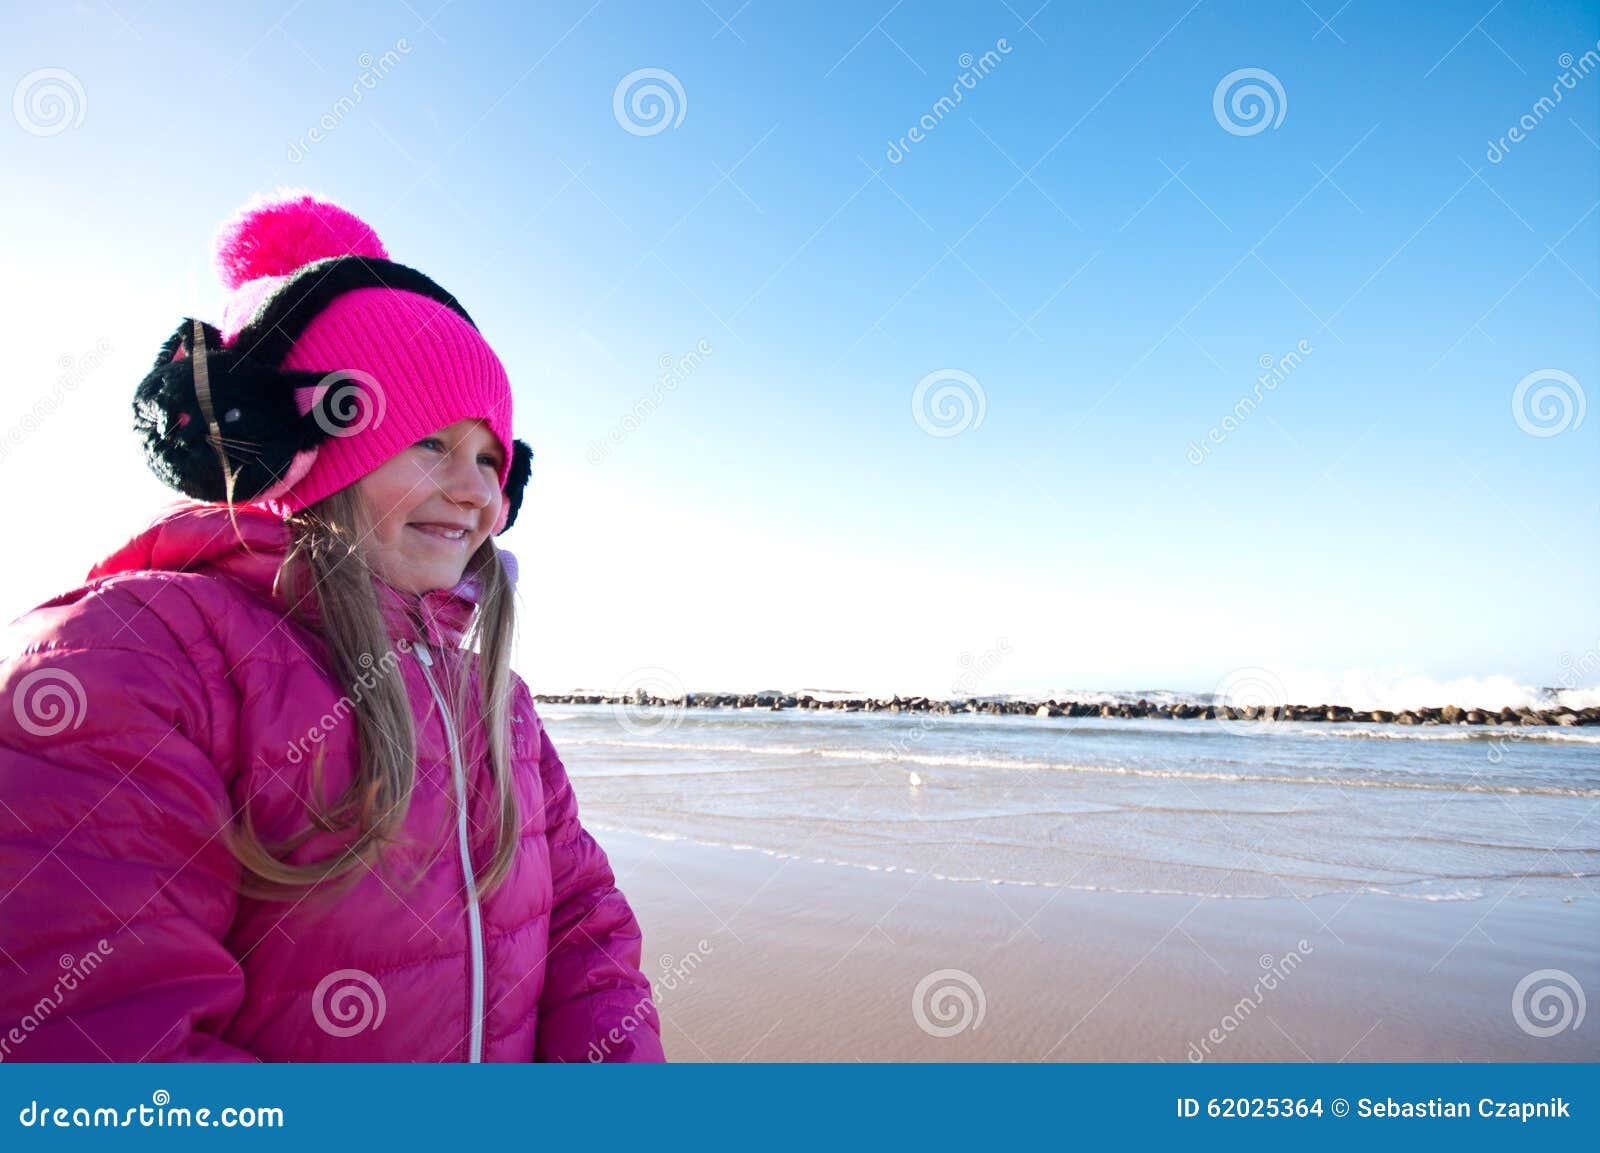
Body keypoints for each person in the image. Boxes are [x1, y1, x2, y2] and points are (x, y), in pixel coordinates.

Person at [0, 190, 663, 1062]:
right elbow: (103, 1045)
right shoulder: (136, 661)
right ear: (296, 445)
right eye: (432, 443)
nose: (476, 491)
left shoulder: (497, 702)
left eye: (491, 458)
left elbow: (584, 923)